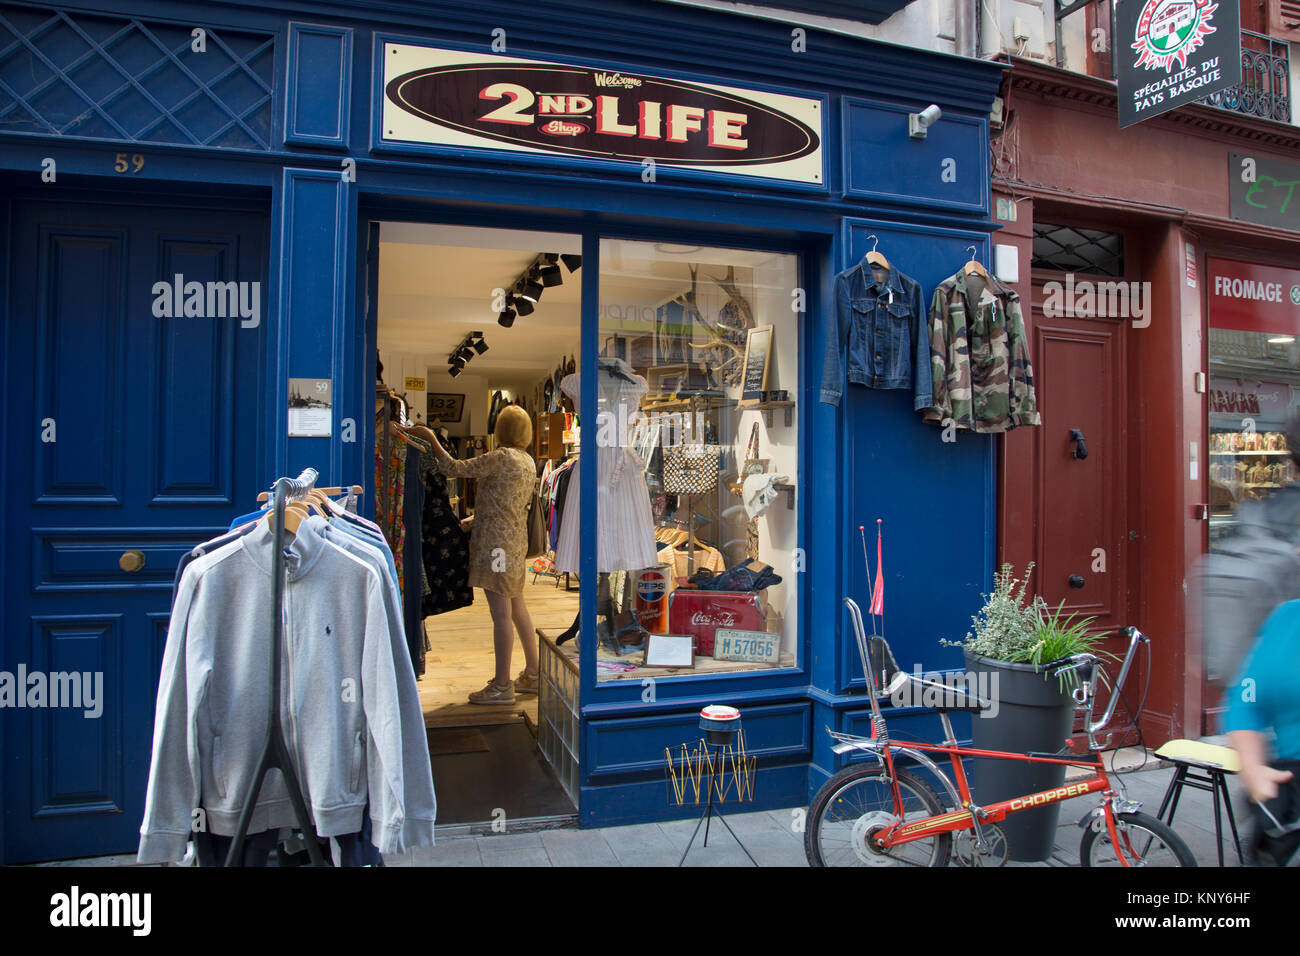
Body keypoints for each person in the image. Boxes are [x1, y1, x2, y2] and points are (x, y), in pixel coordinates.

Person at [426, 405, 539, 704]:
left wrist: (430, 437)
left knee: (501, 614)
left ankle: (502, 685)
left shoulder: (502, 457)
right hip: (513, 542)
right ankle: (534, 672)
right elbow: (507, 503)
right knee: (517, 608)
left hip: (497, 547)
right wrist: (476, 520)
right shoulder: (527, 461)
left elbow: (454, 468)